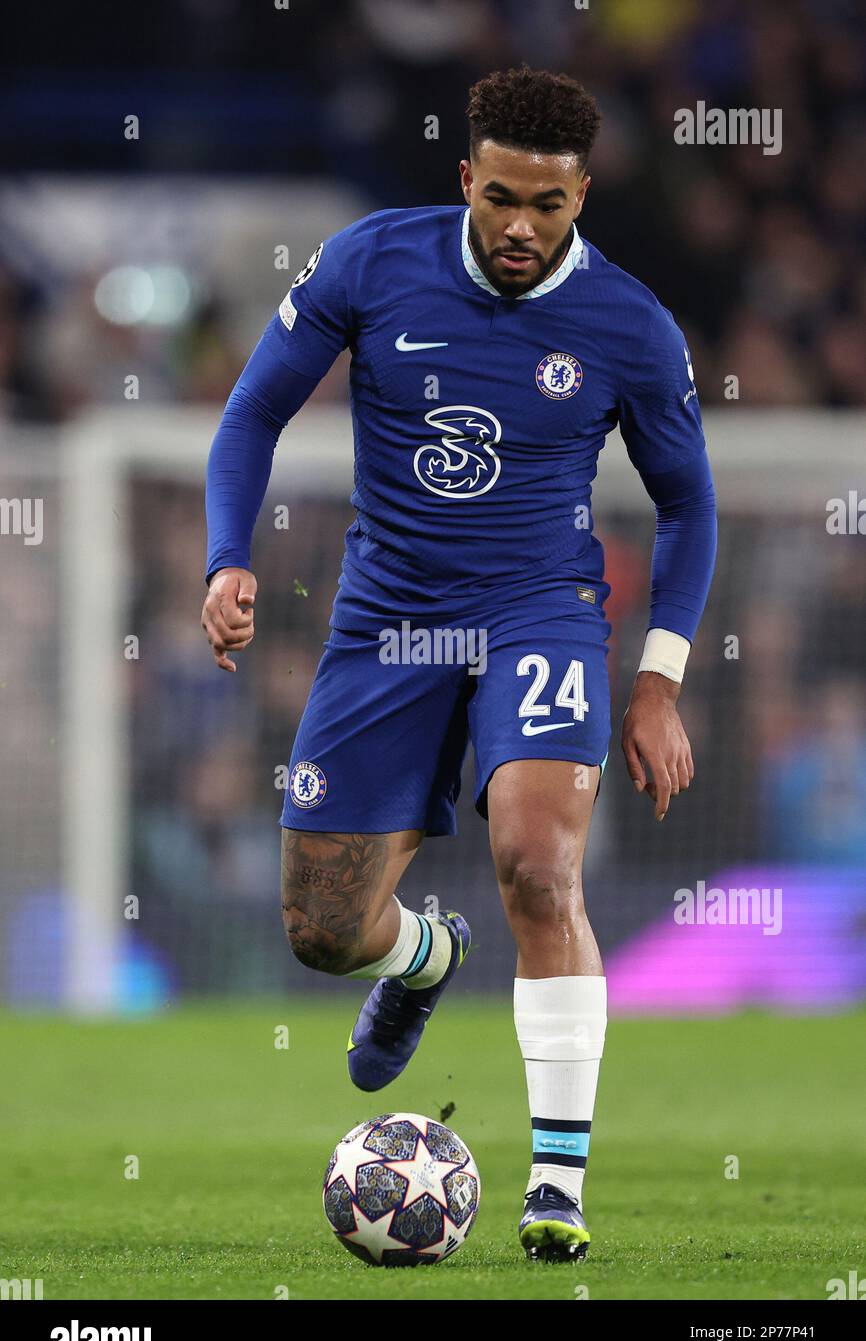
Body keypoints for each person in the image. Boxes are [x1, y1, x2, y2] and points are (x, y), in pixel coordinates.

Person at [202, 65, 717, 1262]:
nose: (522, 227)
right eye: (500, 199)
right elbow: (250, 414)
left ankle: (556, 1184)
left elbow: (687, 503)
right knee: (321, 930)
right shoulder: (372, 262)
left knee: (540, 866)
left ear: (582, 192)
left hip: (539, 612)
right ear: (464, 181)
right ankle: (427, 954)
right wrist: (229, 558)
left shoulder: (629, 324)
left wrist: (656, 678)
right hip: (386, 616)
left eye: (549, 204)